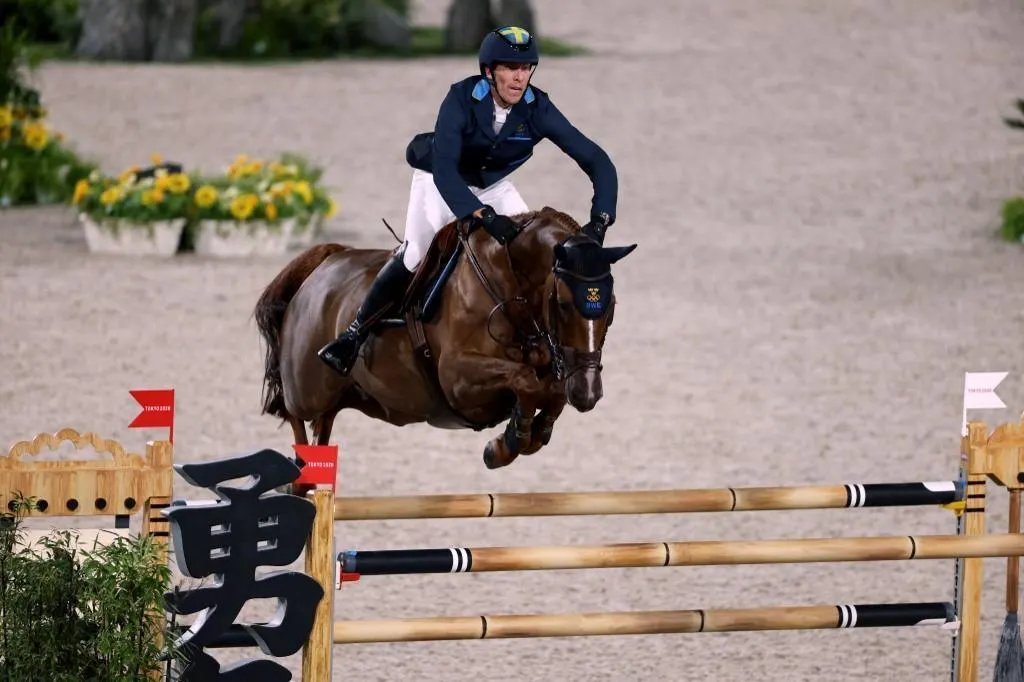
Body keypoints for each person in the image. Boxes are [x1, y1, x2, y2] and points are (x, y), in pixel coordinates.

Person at [318, 25, 619, 376]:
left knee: (527, 250)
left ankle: (540, 341)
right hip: (439, 179)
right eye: (510, 68)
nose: (519, 78)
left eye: (525, 69)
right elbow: (445, 170)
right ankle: (354, 335)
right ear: (489, 72)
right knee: (417, 252)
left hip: (492, 185)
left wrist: (600, 219)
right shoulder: (461, 98)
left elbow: (597, 160)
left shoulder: (538, 107)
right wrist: (483, 216)